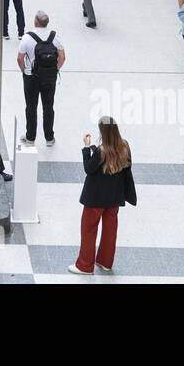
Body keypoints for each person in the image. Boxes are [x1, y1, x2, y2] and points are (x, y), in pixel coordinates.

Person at [69, 117, 137, 275]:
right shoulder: (124, 146)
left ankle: (85, 266)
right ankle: (105, 262)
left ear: (103, 132)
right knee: (110, 231)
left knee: (88, 230)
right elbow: (124, 166)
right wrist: (94, 148)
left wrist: (86, 148)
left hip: (96, 199)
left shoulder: (102, 151)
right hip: (114, 198)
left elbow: (89, 168)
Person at [18, 11, 66, 145]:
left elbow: (19, 58)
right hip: (49, 78)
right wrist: (55, 69)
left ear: (35, 22)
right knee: (48, 107)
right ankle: (49, 138)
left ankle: (30, 138)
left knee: (31, 107)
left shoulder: (27, 38)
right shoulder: (55, 37)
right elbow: (62, 57)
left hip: (31, 77)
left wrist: (24, 70)